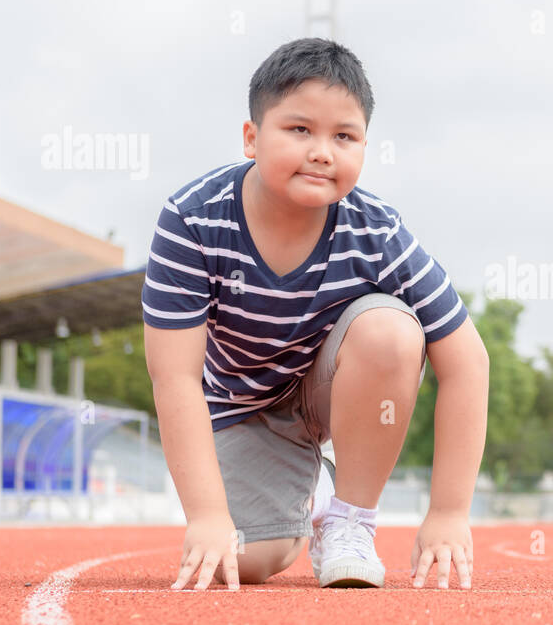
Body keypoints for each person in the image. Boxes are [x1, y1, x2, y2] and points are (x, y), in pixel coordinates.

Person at [141, 37, 488, 592]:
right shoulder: (193, 220)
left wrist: (448, 512)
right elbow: (174, 375)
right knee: (247, 561)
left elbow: (468, 363)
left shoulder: (377, 231)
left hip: (329, 390)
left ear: (365, 147)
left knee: (393, 331)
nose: (323, 151)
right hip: (241, 407)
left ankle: (349, 520)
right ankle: (313, 494)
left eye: (344, 136)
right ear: (252, 138)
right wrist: (208, 517)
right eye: (299, 130)